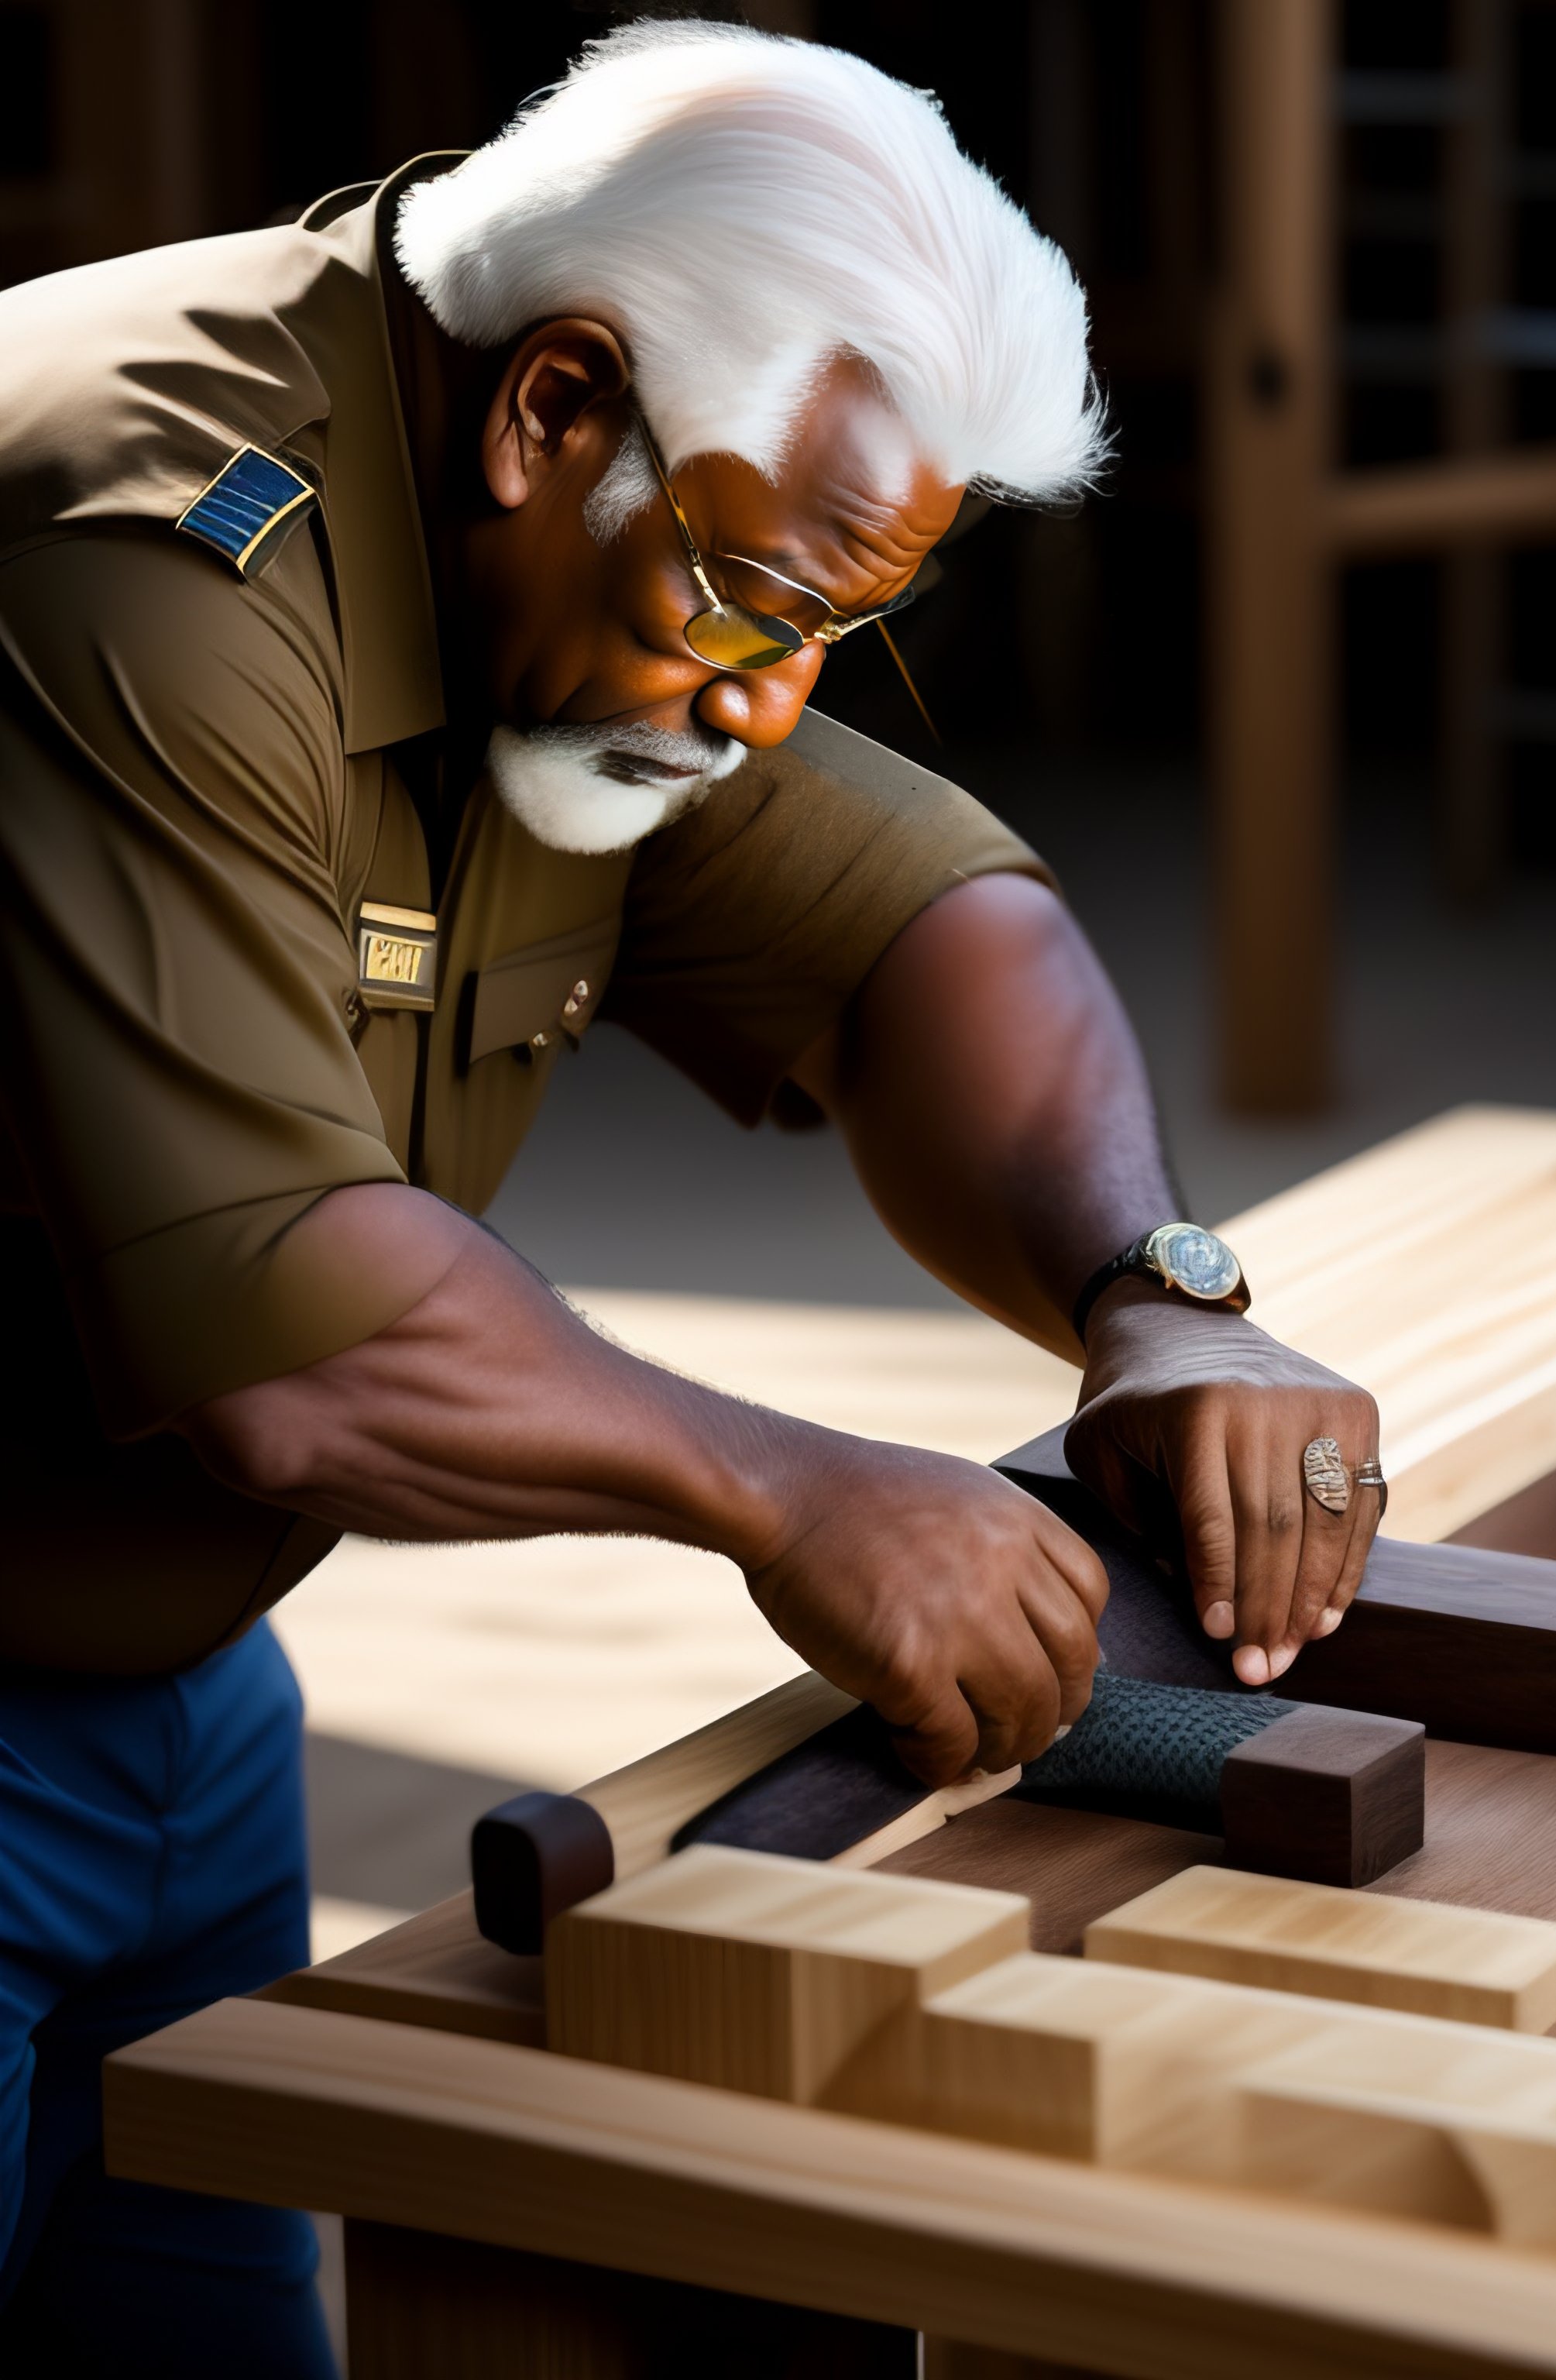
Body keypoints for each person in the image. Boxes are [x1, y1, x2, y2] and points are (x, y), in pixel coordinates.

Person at [0, 20, 1382, 2368]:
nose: (764, 705)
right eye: (755, 606)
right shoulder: (136, 550)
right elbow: (287, 1343)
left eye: (840, 631)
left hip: (170, 1688)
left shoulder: (610, 549)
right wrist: (788, 1488)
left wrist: (1159, 1301)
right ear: (555, 408)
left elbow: (921, 937)